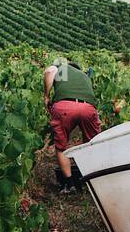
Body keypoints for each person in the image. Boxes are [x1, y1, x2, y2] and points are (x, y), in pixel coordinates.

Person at [43, 58, 102, 193]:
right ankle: (92, 181)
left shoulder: (62, 68)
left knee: (61, 147)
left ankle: (70, 185)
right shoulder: (85, 76)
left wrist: (46, 96)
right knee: (92, 144)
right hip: (88, 107)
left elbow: (49, 70)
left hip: (64, 107)